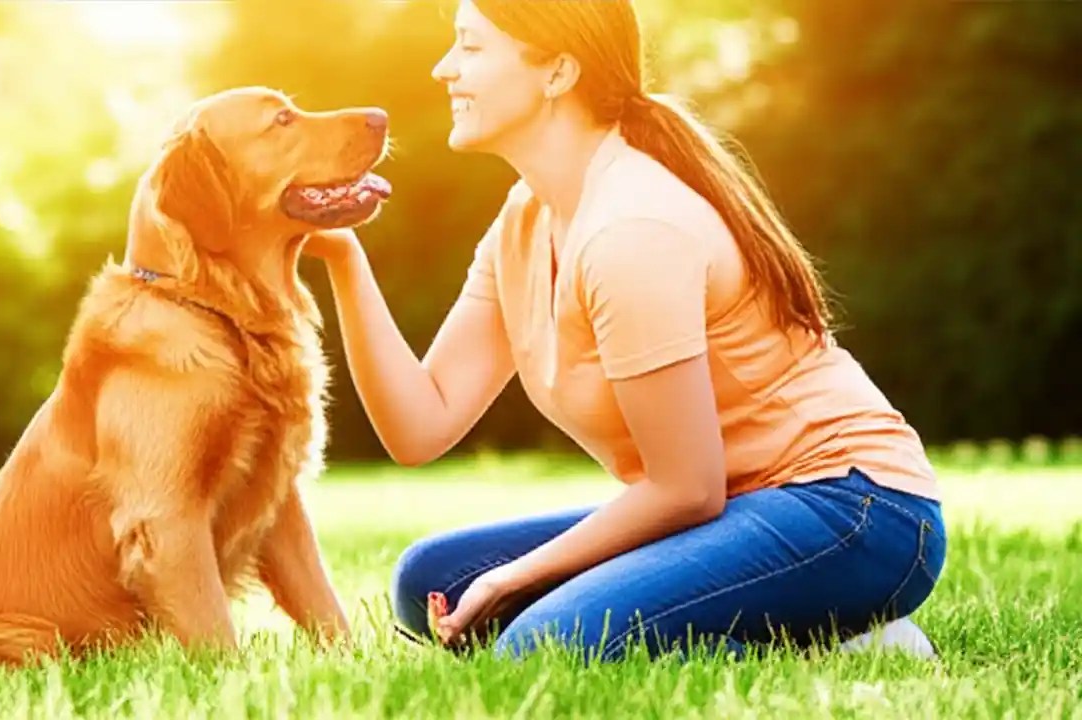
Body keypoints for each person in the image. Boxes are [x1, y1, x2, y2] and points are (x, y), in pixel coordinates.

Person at [302, 0, 945, 662]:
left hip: (855, 511)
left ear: (556, 71)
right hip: (737, 507)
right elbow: (421, 424)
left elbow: (688, 488)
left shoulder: (631, 229)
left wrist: (520, 575)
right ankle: (792, 619)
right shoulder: (530, 218)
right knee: (431, 581)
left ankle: (848, 641)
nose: (444, 69)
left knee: (538, 648)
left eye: (470, 47)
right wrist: (345, 259)